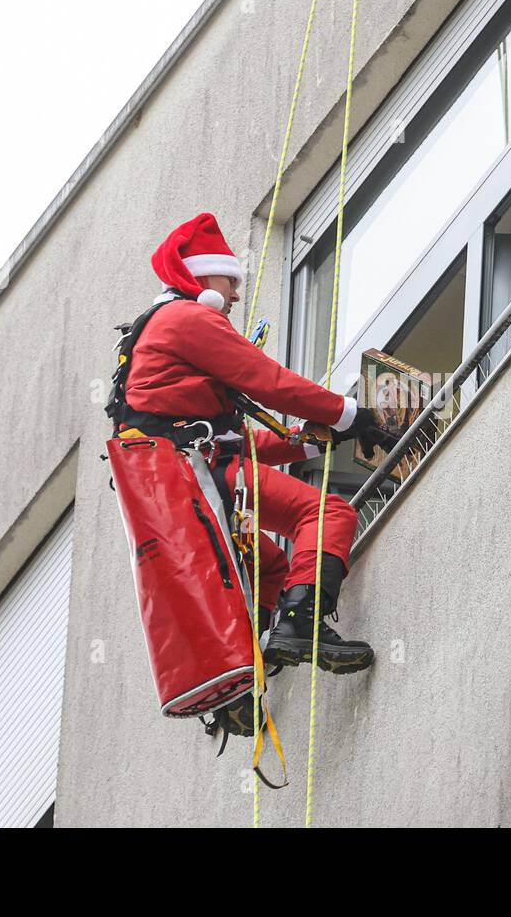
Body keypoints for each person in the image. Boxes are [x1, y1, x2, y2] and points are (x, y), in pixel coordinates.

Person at [113, 212, 396, 683]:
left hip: (185, 480)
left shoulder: (159, 332)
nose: (237, 294)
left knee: (270, 565)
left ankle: (249, 674)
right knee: (328, 515)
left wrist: (308, 445)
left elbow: (228, 438)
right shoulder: (187, 318)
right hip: (199, 473)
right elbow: (269, 383)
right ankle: (300, 626)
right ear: (201, 276)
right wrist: (348, 412)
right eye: (230, 280)